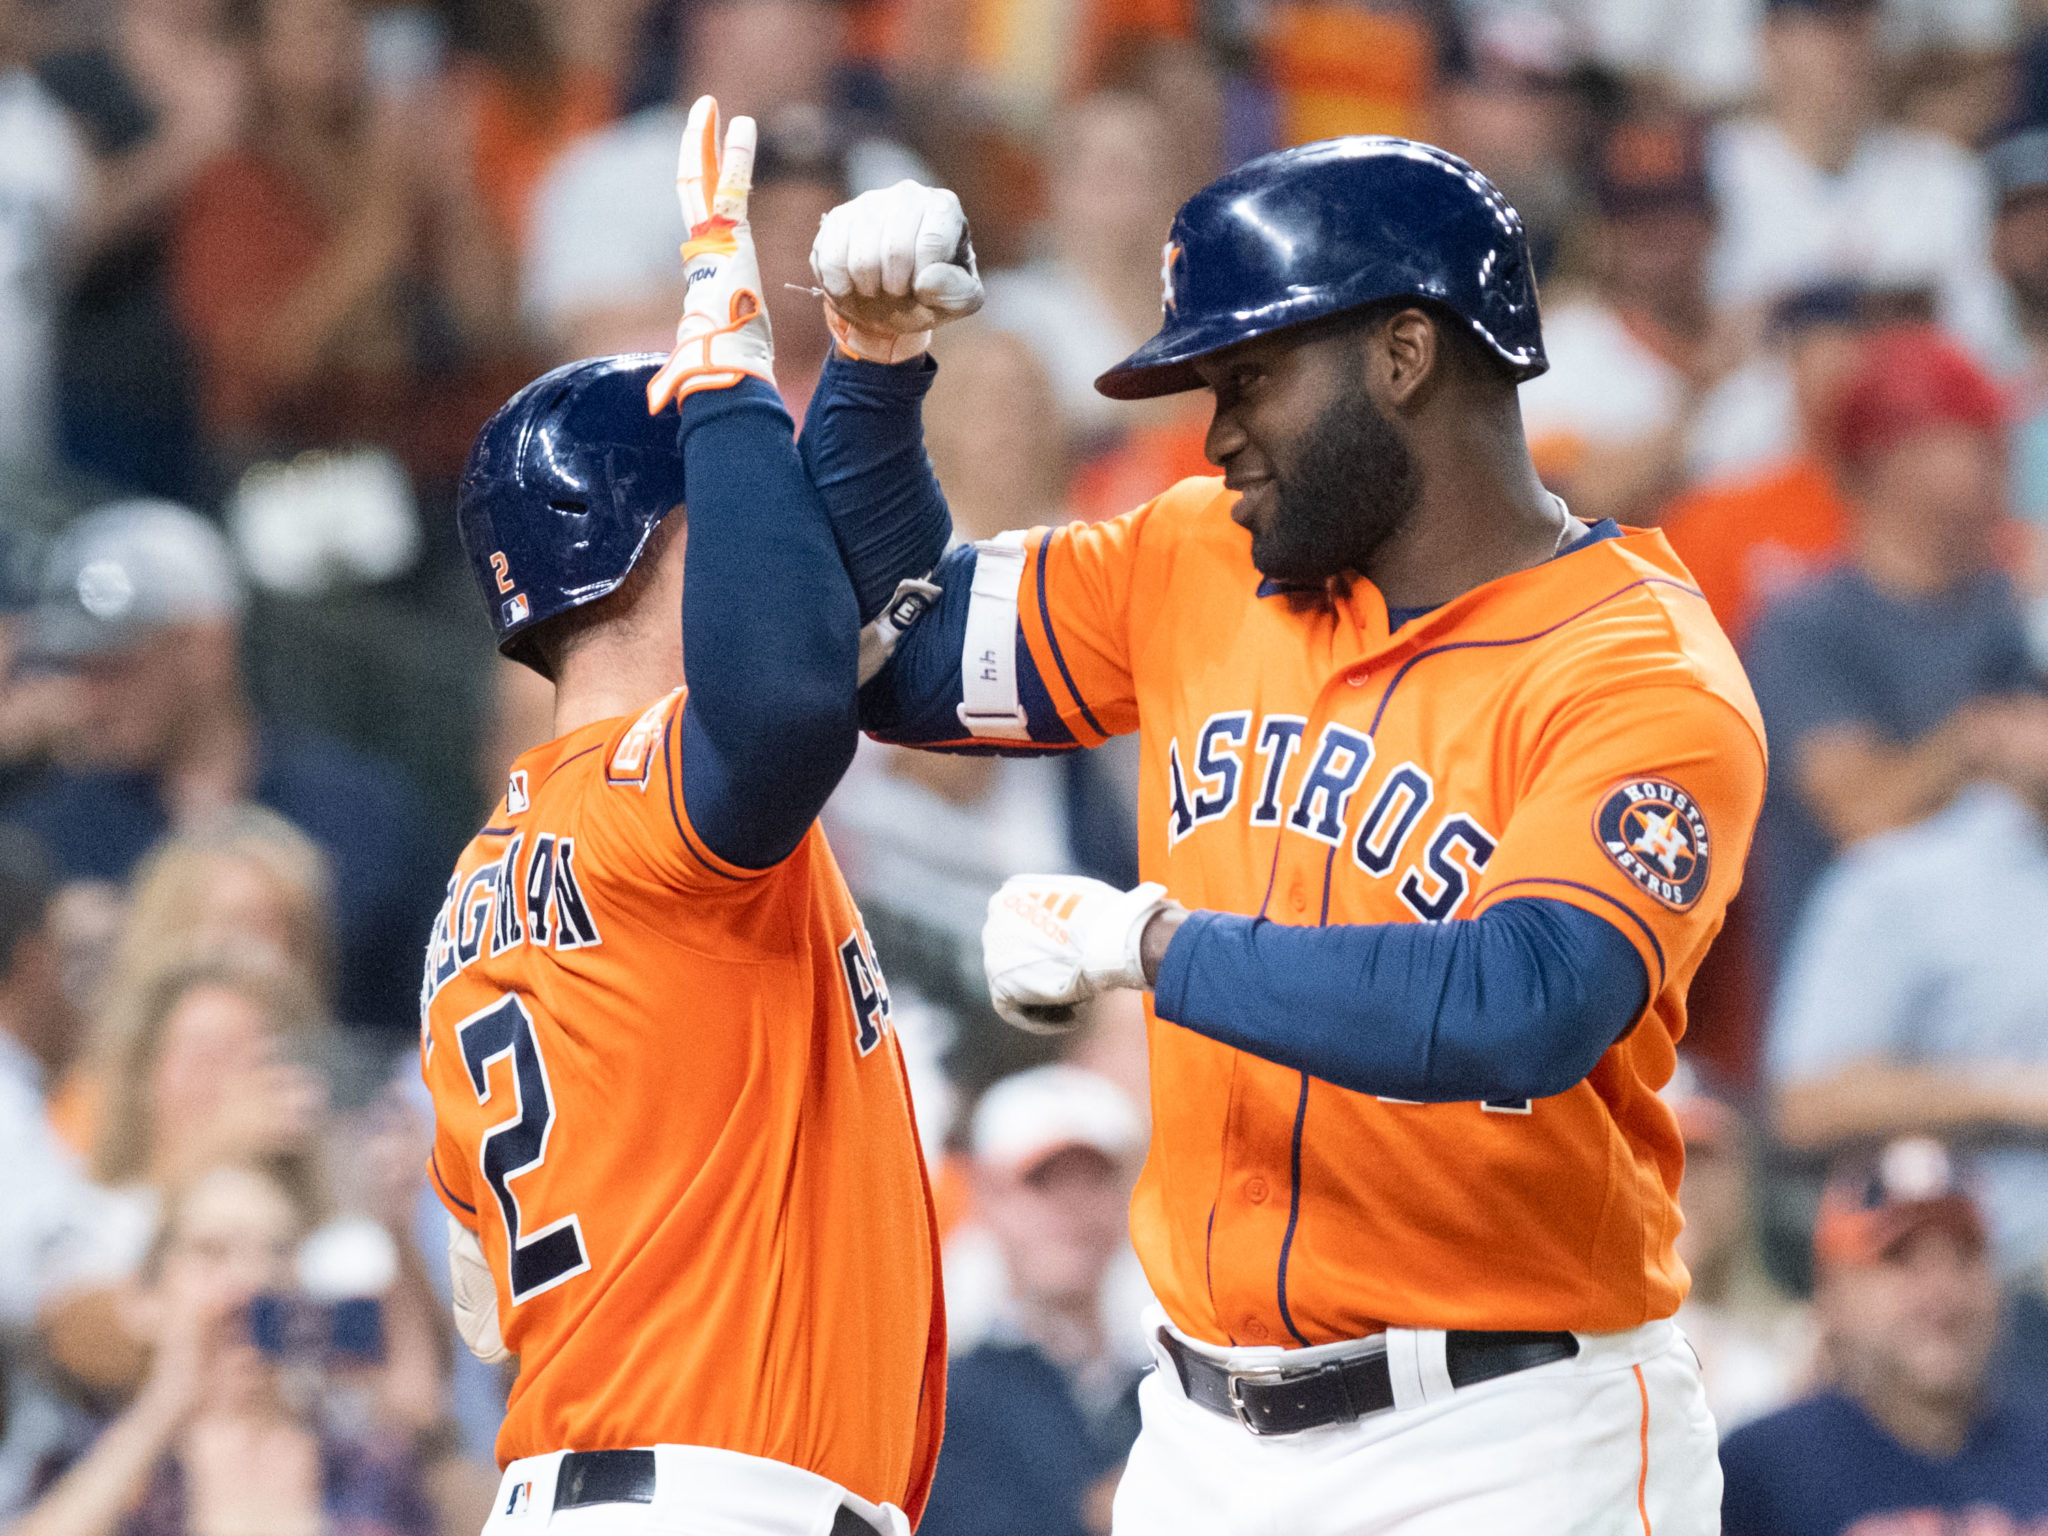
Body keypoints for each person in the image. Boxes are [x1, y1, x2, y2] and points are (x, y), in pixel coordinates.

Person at [804, 135, 1764, 1532]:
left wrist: (1155, 945)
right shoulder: (1200, 554)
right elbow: (897, 660)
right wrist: (874, 370)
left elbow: (1524, 1002)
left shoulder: (1641, 670)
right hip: (1205, 1433)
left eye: (1250, 378)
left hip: (1507, 1438)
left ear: (1403, 355)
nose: (1216, 432)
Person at [421, 100, 965, 1535]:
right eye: (737, 497)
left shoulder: (491, 877)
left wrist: (872, 371)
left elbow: (840, 626)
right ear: (667, 533)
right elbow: (791, 703)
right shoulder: (643, 796)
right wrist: (726, 374)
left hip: (614, 1480)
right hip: (701, 1499)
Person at [0, 501, 440, 1033]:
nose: (90, 699)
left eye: (115, 667)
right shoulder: (46, 830)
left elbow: (424, 1026)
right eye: (78, 669)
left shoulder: (358, 814)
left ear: (205, 646)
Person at [1741, 324, 2043, 974]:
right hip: (1849, 1015)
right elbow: (1861, 813)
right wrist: (1982, 742)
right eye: (1973, 440)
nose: (1999, 461)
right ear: (1890, 458)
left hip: (1999, 1003)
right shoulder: (1807, 624)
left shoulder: (2010, 605)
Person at [1768, 695, 2048, 1279]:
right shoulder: (1900, 879)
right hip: (1981, 1276)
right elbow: (1807, 1101)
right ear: (1996, 720)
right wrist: (2014, 1092)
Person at [10, 1162, 437, 1536]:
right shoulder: (93, 1456)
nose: (252, 1280)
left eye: (277, 1252)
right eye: (212, 1252)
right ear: (147, 1299)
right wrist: (164, 1406)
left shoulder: (363, 1460)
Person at [1720, 1138, 2048, 1535]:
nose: (1940, 1291)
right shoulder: (1762, 1471)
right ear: (1832, 1292)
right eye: (1901, 1259)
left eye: (1964, 1257)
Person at [1705, 0, 2005, 359]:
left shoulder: (1946, 174)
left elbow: (1984, 345)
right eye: (1823, 24)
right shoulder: (1715, 169)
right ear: (1770, 39)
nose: (1844, 46)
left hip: (1910, 403)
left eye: (1858, 22)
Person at [920, 1066, 1147, 1536]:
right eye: (1041, 1181)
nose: (1073, 1205)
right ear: (985, 1197)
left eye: (1094, 1178)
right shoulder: (939, 1398)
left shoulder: (1171, 1375)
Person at [1662, 1059, 1813, 1432]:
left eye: (1701, 1159)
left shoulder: (1804, 1339)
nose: (1684, 1183)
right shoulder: (1577, 1334)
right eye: (1659, 1158)